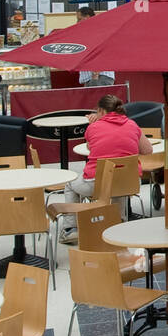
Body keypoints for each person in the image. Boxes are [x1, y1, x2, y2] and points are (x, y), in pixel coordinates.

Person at [60, 95, 153, 242]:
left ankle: (71, 229)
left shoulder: (93, 127)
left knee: (70, 185)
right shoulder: (132, 124)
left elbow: (91, 147)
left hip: (96, 184)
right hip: (129, 183)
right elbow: (147, 150)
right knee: (118, 184)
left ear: (101, 111)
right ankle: (119, 224)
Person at [75, 6, 115, 86]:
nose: (77, 22)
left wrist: (95, 75)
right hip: (92, 77)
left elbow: (101, 52)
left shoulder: (96, 32)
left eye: (79, 19)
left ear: (87, 17)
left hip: (99, 76)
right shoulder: (90, 32)